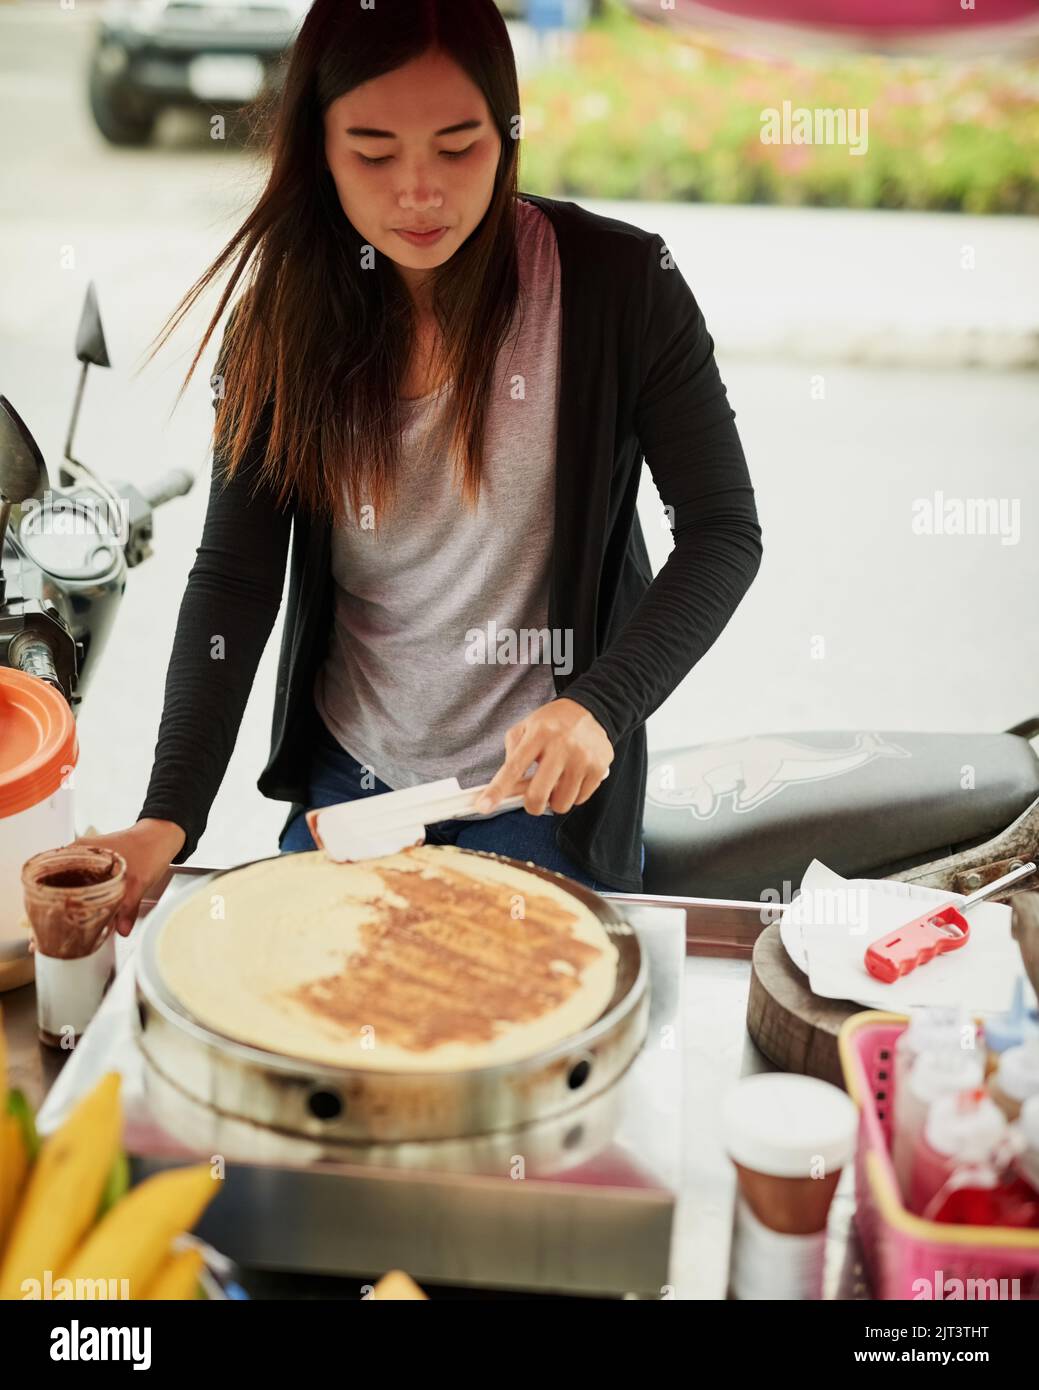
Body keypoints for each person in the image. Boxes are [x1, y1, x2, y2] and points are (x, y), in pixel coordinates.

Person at [75, 0, 763, 936]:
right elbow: (236, 580)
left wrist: (599, 708)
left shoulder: (621, 288)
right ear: (317, 145)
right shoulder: (284, 315)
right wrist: (169, 814)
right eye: (372, 151)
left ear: (506, 133)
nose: (418, 193)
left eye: (456, 146)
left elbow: (723, 530)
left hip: (540, 798)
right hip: (350, 783)